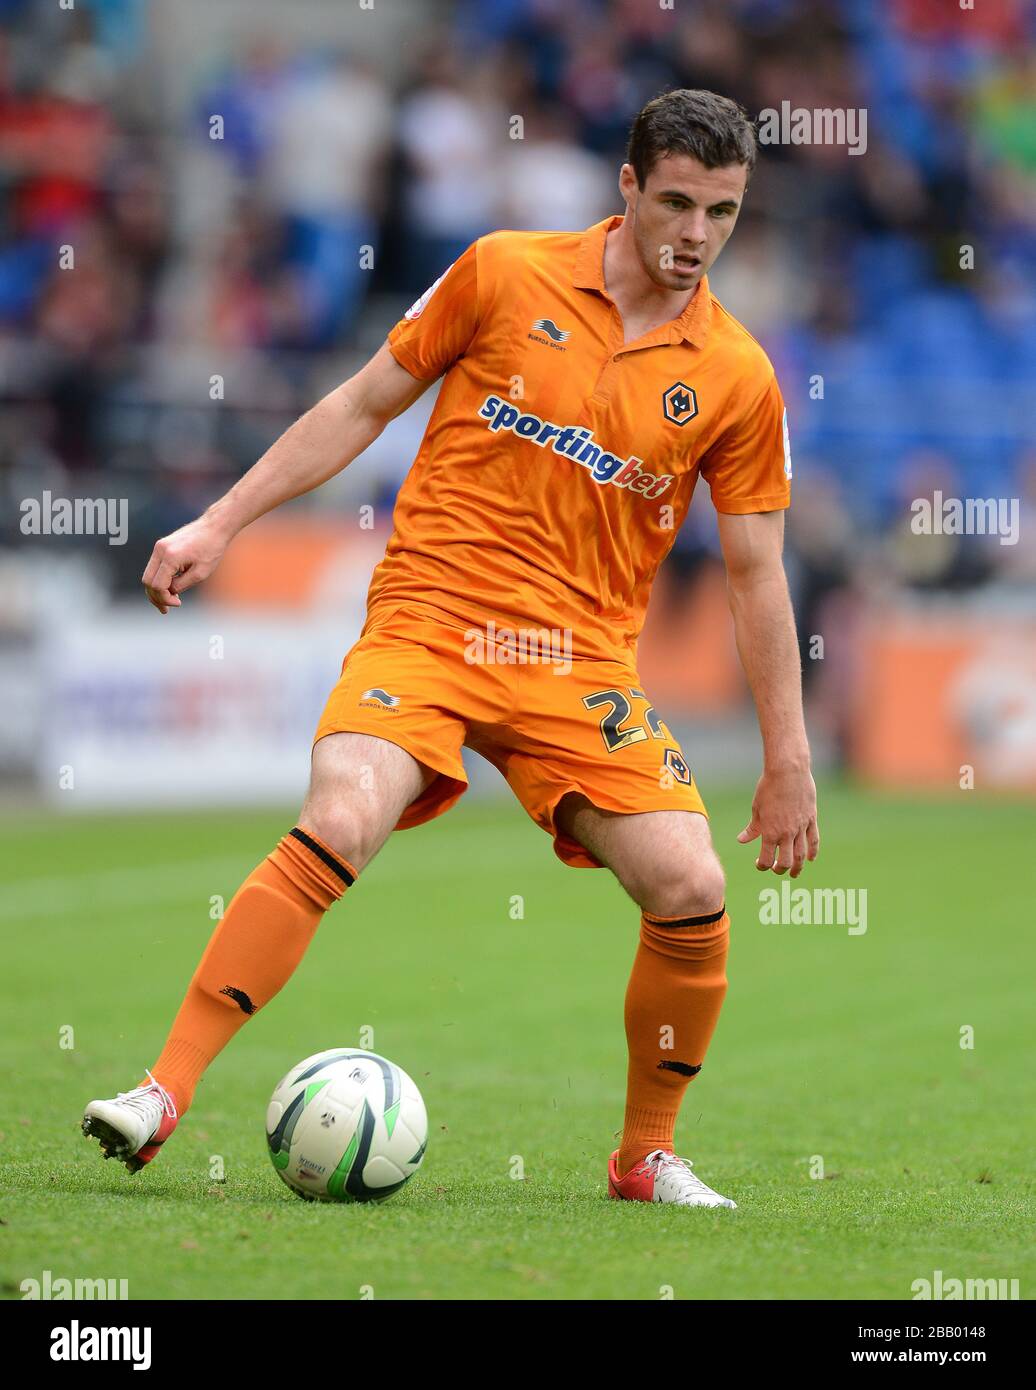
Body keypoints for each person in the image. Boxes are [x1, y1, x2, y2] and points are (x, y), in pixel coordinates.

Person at [83, 89, 819, 1208]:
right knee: (340, 814)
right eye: (674, 202)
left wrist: (788, 758)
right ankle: (162, 1091)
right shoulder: (500, 272)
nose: (694, 236)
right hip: (431, 619)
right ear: (624, 187)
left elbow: (757, 572)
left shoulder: (736, 374)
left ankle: (643, 1157)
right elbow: (361, 401)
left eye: (720, 213)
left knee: (689, 881)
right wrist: (219, 521)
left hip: (579, 664)